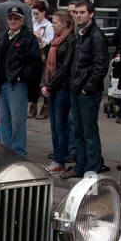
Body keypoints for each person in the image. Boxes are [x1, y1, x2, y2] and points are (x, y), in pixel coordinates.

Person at [0, 7, 41, 156]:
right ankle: (7, 150)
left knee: (17, 120)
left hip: (17, 84)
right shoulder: (2, 37)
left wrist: (20, 76)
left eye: (16, 18)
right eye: (11, 18)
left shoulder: (28, 38)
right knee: (4, 119)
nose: (13, 21)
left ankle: (18, 152)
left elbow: (35, 63)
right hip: (3, 83)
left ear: (22, 20)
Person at [65, 0, 108, 177]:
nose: (79, 15)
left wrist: (88, 88)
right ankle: (80, 166)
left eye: (83, 12)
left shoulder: (96, 36)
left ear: (91, 14)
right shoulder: (80, 34)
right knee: (79, 132)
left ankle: (91, 168)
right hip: (77, 88)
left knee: (89, 133)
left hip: (87, 92)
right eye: (77, 12)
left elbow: (101, 65)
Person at [41, 9, 76, 173]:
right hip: (52, 87)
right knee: (54, 125)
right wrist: (44, 84)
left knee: (61, 125)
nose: (52, 25)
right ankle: (57, 157)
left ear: (65, 24)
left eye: (55, 22)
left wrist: (50, 85)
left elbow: (65, 68)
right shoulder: (54, 41)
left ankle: (61, 159)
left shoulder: (70, 41)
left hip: (62, 88)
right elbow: (46, 66)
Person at [29, 0, 53, 120]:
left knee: (44, 81)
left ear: (44, 12)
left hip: (44, 56)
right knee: (34, 82)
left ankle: (45, 107)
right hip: (34, 56)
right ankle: (33, 106)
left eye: (37, 14)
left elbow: (50, 41)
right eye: (34, 14)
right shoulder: (34, 23)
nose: (35, 16)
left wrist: (39, 38)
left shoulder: (48, 25)